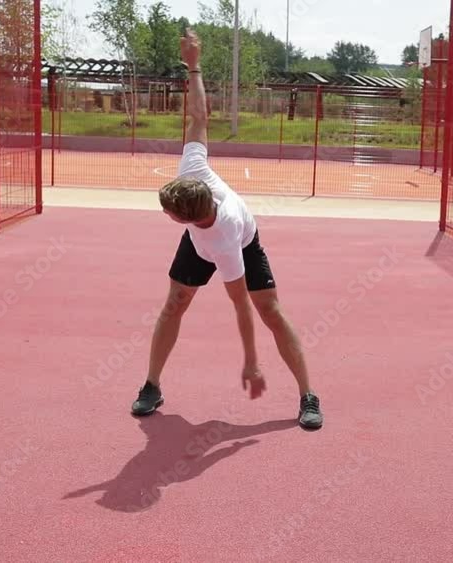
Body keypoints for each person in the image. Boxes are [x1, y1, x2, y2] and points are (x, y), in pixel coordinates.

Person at [130, 29, 324, 430]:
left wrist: (251, 361)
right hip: (199, 242)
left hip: (241, 243)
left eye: (168, 212)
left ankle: (308, 395)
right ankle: (152, 386)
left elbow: (240, 306)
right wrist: (194, 66)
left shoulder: (225, 237)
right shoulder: (193, 170)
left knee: (269, 310)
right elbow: (200, 117)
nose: (164, 213)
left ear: (185, 217)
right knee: (174, 305)